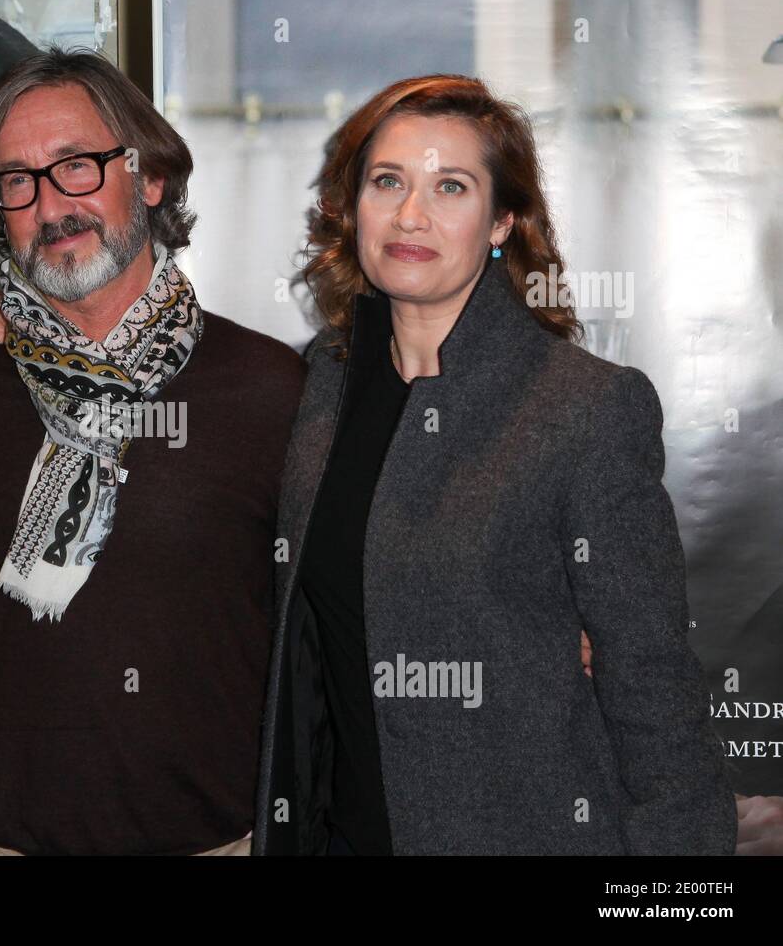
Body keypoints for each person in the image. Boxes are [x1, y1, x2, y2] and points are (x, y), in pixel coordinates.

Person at [252, 74, 737, 855]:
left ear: (503, 220)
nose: (412, 215)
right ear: (352, 208)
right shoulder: (312, 392)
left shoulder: (584, 408)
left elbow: (651, 683)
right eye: (388, 182)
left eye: (451, 186)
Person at [0, 47, 305, 855]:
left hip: (217, 842)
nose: (51, 204)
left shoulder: (272, 388)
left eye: (76, 166)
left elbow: (330, 625)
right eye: (17, 181)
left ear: (149, 176)